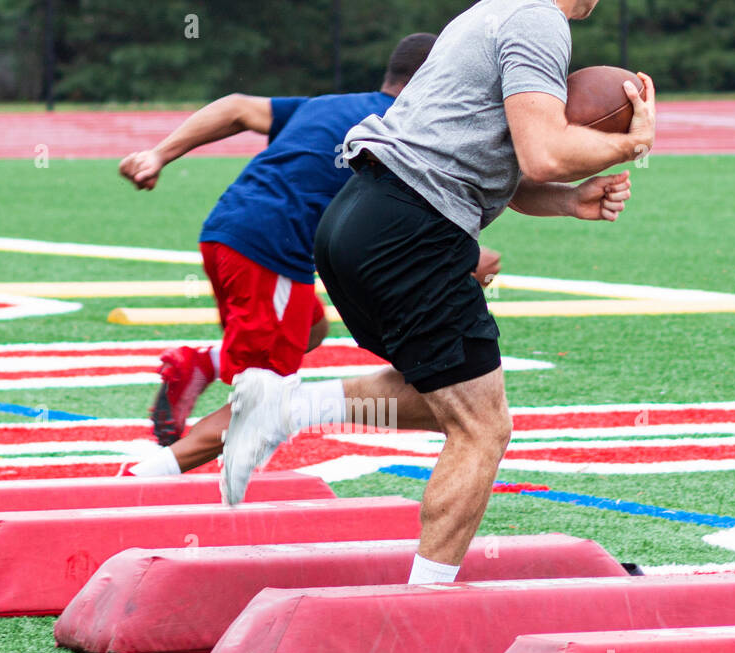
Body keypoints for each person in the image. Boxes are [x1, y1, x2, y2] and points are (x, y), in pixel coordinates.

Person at [219, 0, 656, 586]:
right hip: (411, 233)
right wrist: (633, 142)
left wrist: (570, 201)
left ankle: (285, 408)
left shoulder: (489, 13)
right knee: (482, 428)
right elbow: (545, 153)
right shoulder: (538, 20)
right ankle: (424, 603)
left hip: (356, 220)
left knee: (448, 391)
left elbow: (502, 164)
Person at [119, 32, 503, 477]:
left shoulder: (332, 105)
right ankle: (144, 478)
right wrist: (457, 260)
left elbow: (236, 107)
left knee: (310, 328)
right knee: (266, 402)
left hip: (230, 231)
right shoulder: (402, 129)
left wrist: (158, 154)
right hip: (269, 251)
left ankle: (202, 363)